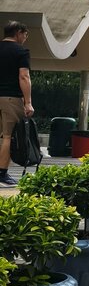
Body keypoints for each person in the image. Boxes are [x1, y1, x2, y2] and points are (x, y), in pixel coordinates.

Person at [0, 20, 33, 186]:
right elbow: (24, 77)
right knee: (8, 136)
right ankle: (2, 173)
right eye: (25, 35)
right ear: (18, 32)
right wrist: (28, 103)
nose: (25, 38)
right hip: (10, 98)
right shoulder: (21, 51)